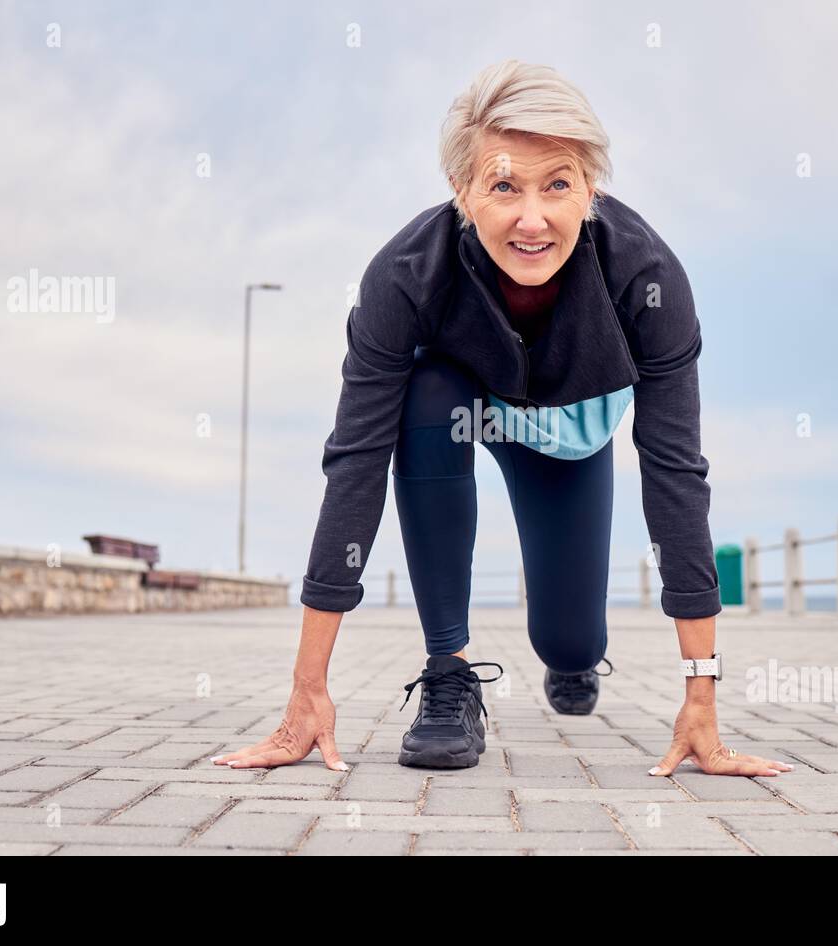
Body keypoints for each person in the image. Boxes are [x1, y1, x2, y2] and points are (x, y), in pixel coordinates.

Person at [214, 59, 792, 779]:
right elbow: (355, 461)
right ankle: (448, 674)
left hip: (571, 440)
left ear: (591, 188)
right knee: (426, 391)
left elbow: (676, 472)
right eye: (504, 185)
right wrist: (306, 691)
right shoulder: (404, 277)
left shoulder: (648, 280)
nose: (532, 218)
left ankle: (573, 659)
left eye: (558, 185)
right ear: (462, 192)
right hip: (462, 412)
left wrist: (701, 698)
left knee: (571, 641)